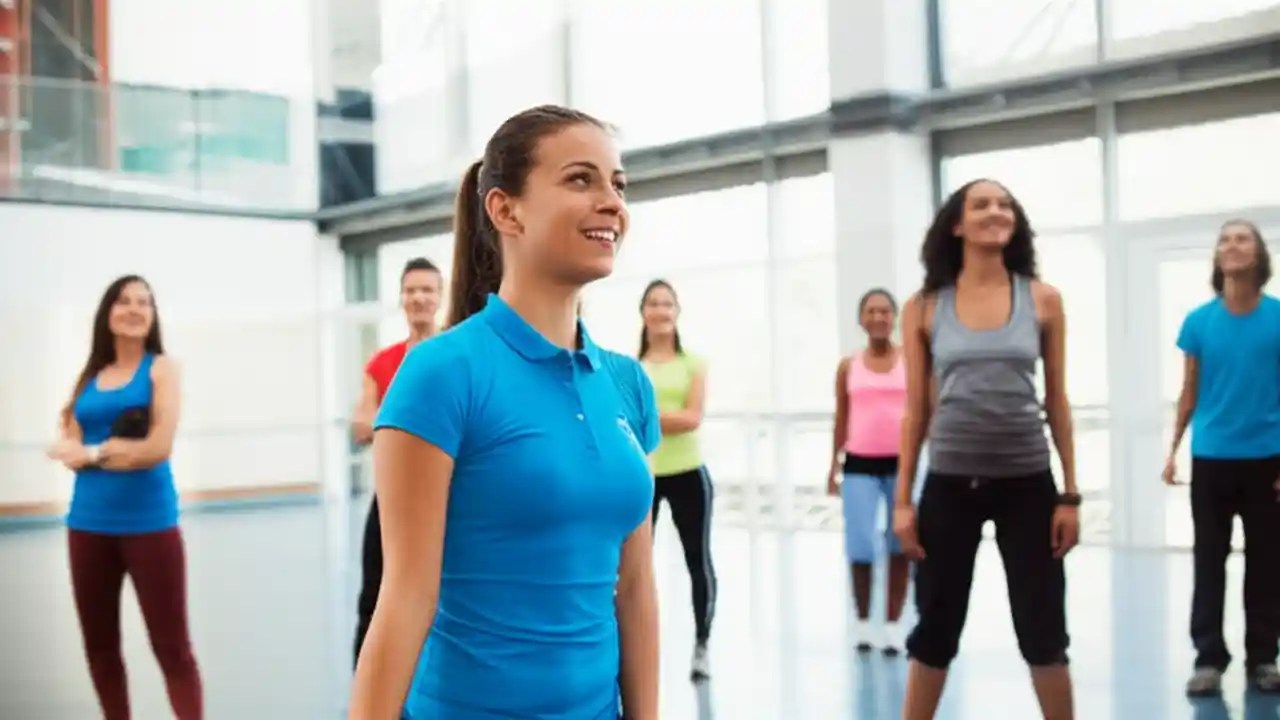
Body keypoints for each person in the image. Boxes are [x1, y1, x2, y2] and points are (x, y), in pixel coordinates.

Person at [347, 105, 660, 720]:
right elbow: (405, 595)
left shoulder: (628, 383)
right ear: (504, 209)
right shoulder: (441, 373)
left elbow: (636, 590)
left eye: (617, 184)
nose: (611, 202)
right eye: (580, 179)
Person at [892, 179, 1081, 720]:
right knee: (935, 628)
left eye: (1004, 204)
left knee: (1044, 628)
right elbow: (916, 412)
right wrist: (904, 500)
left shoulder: (1042, 299)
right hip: (950, 486)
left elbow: (1058, 402)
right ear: (957, 224)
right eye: (981, 205)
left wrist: (1070, 495)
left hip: (1029, 485)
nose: (995, 212)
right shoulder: (925, 308)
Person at [45, 274, 202, 720]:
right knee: (100, 648)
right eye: (124, 301)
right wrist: (100, 452)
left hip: (150, 525)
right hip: (87, 525)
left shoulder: (161, 368)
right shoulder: (90, 375)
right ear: (107, 314)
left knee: (173, 649)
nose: (134, 309)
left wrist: (96, 451)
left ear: (153, 316)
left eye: (144, 303)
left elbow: (157, 448)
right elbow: (69, 446)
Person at [1164, 219, 1280, 697]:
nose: (1231, 245)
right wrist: (1172, 450)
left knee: (1267, 563)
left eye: (1242, 238)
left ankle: (1263, 658)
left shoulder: (1277, 318)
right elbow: (1189, 391)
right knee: (1208, 560)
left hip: (1268, 460)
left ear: (1258, 256)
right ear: (1217, 258)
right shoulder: (1198, 322)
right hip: (1211, 457)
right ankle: (1208, 657)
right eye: (1224, 239)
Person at [350, 257, 443, 666]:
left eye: (427, 290)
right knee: (374, 596)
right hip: (391, 501)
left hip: (447, 503)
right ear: (401, 299)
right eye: (411, 290)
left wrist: (393, 420)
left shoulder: (455, 355)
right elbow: (361, 426)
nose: (419, 297)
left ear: (440, 297)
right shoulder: (382, 363)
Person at [638, 278, 717, 681]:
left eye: (667, 304)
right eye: (653, 303)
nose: (660, 311)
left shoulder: (694, 364)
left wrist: (647, 419)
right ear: (643, 313)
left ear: (677, 312)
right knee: (636, 566)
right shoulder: (632, 368)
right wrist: (663, 421)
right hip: (645, 478)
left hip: (689, 474)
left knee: (696, 561)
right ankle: (636, 646)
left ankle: (701, 646)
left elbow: (692, 418)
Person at [827, 288, 910, 656]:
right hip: (859, 464)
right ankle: (862, 623)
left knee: (899, 544)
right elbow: (842, 417)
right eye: (871, 311)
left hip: (902, 464)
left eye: (885, 311)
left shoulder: (911, 360)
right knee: (860, 544)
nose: (878, 317)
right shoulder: (849, 365)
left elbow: (924, 412)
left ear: (894, 318)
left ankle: (893, 625)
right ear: (861, 319)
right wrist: (833, 465)